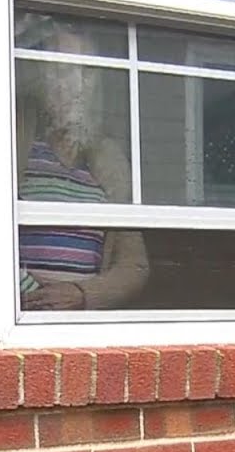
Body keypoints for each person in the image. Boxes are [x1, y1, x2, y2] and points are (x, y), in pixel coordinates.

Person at [14, 16, 149, 311]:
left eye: (85, 73)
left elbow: (134, 265)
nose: (74, 86)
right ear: (41, 79)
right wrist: (33, 297)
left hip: (79, 327)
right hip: (20, 323)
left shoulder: (109, 163)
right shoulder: (16, 146)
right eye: (61, 72)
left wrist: (82, 295)